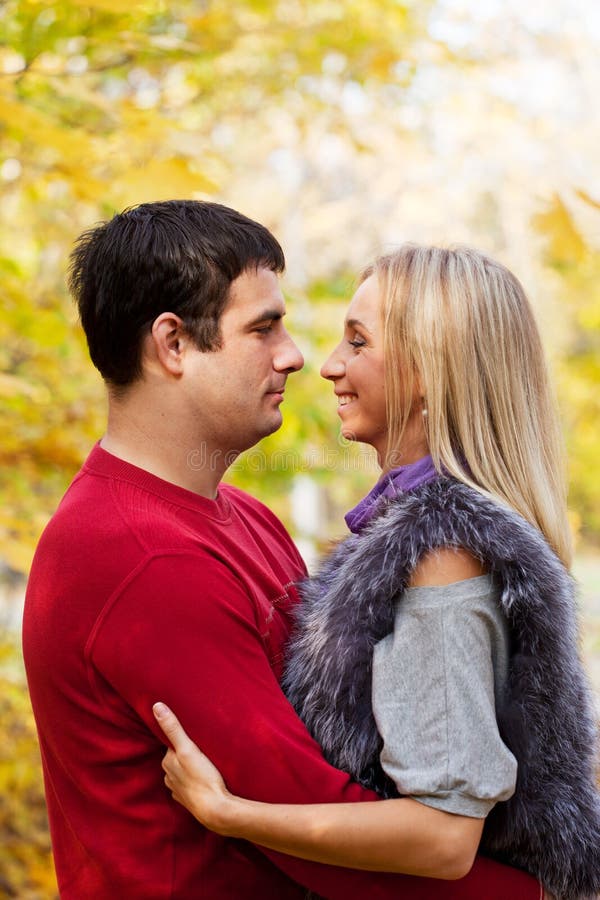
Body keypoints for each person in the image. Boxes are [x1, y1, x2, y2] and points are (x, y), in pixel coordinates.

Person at [23, 203, 542, 899]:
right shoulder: (137, 555)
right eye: (263, 327)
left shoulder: (246, 520)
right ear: (172, 344)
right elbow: (314, 830)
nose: (296, 355)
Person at [153, 244, 600, 900]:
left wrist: (231, 815)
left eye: (358, 343)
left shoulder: (443, 553)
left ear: (429, 370)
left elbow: (445, 839)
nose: (329, 365)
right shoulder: (431, 537)